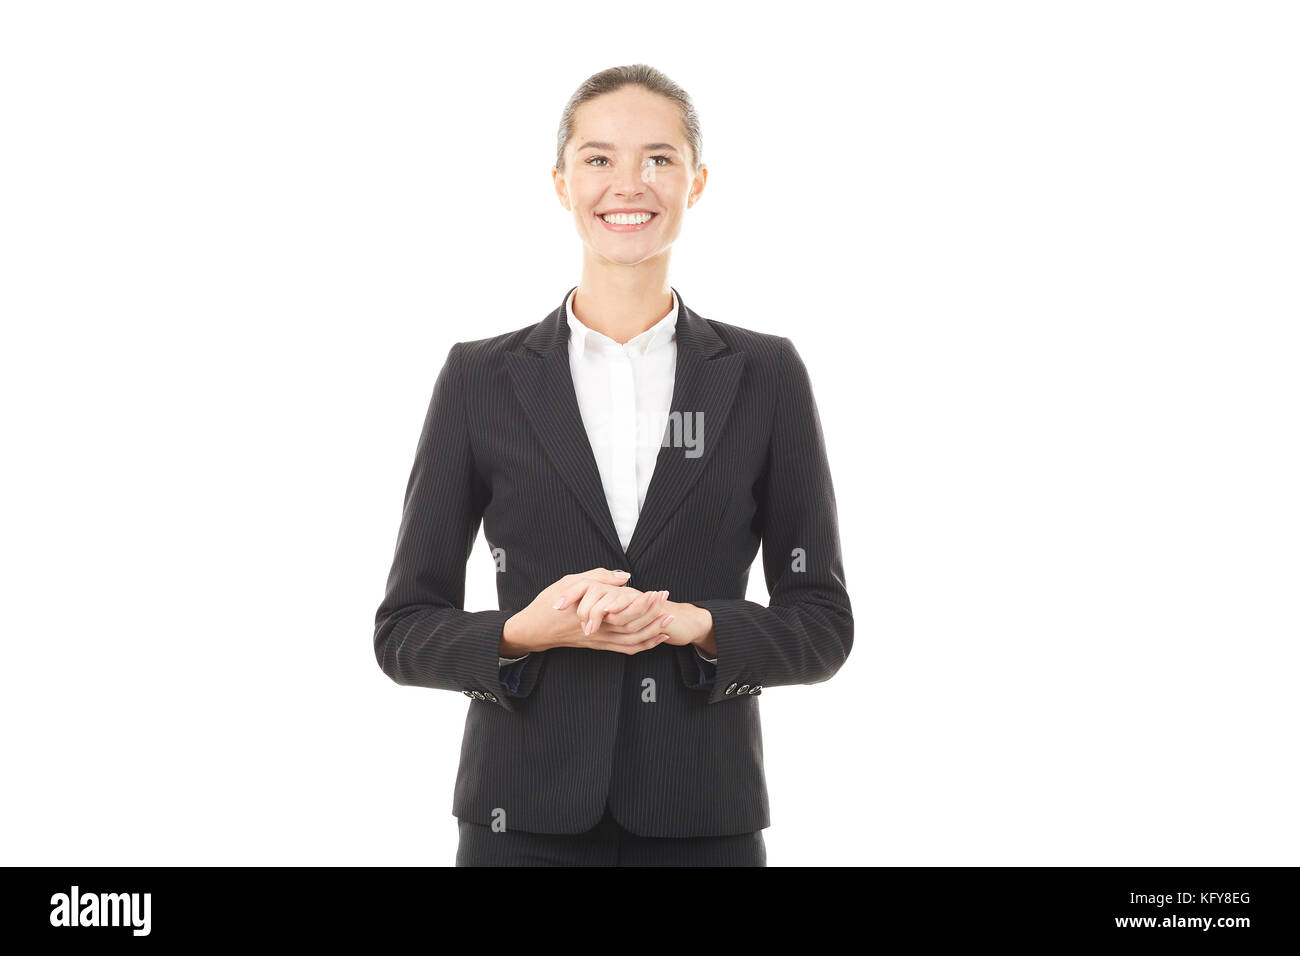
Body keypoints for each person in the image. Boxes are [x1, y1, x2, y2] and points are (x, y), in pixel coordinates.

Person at [374, 64, 853, 866]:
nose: (629, 183)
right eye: (598, 159)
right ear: (560, 182)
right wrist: (525, 634)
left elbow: (822, 623)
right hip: (519, 821)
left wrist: (696, 625)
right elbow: (403, 632)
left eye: (659, 158)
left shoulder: (766, 374)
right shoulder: (478, 378)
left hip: (703, 818)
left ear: (696, 183)